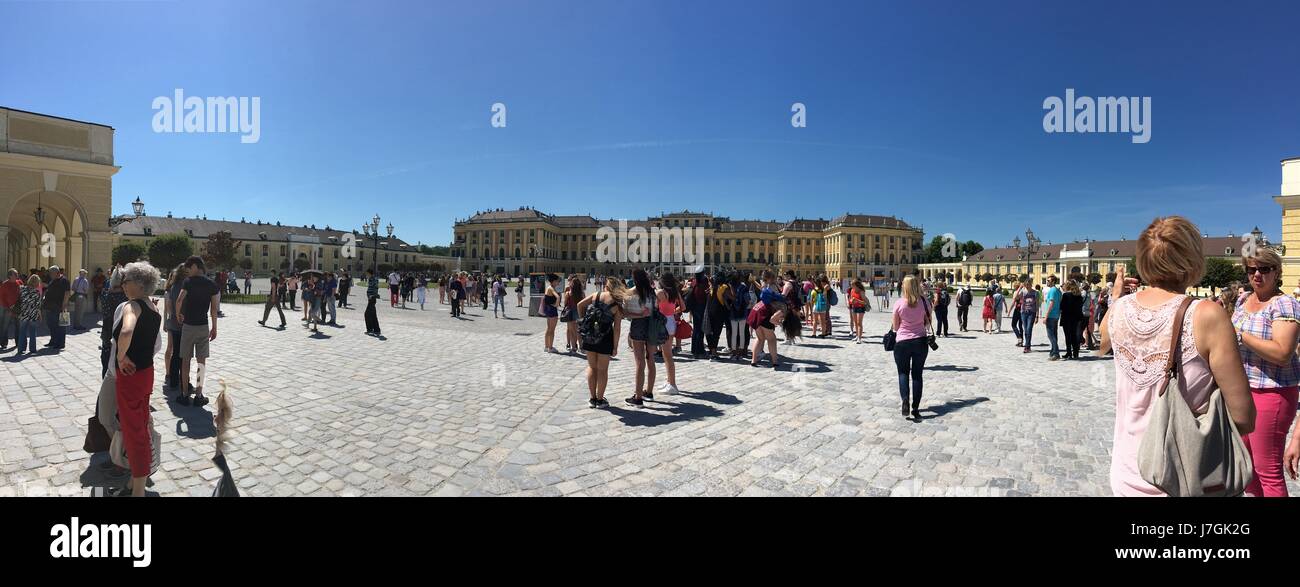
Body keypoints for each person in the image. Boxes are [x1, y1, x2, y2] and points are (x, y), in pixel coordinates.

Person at [1100, 216, 1255, 497]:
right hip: (1187, 478)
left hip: (1127, 474)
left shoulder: (1119, 309)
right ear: (1192, 258)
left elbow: (1101, 339)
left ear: (1143, 258)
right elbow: (1244, 417)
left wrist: (1117, 293)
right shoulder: (1206, 315)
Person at [1231, 245, 1300, 497]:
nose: (1257, 275)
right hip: (1243, 392)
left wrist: (1240, 336)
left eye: (1264, 269)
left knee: (1267, 470)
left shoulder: (1284, 304)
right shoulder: (1243, 300)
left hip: (1272, 392)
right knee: (1247, 468)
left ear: (1277, 271)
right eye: (1251, 269)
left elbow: (1282, 353)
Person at [111, 261, 163, 497]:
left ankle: (138, 491)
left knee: (134, 432)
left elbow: (126, 331)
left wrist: (121, 357)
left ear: (140, 284)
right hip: (146, 374)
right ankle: (134, 482)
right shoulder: (153, 308)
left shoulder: (132, 306)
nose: (123, 285)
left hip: (130, 377)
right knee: (140, 425)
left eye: (127, 280)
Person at [174, 256, 219, 407]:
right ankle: (199, 395)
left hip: (188, 326)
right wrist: (214, 327)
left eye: (189, 268)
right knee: (201, 362)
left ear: (196, 266)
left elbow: (179, 300)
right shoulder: (212, 284)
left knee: (185, 361)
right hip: (203, 327)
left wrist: (177, 314)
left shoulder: (188, 282)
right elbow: (214, 309)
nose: (187, 271)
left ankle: (185, 394)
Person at [577, 277, 625, 409]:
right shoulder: (616, 303)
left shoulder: (595, 295)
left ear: (606, 286)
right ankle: (600, 399)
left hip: (590, 334)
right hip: (605, 337)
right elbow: (617, 328)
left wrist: (583, 322)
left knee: (592, 367)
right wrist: (615, 346)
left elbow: (579, 305)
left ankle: (592, 398)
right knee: (603, 370)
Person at [892, 275, 932, 421]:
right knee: (917, 375)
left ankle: (905, 401)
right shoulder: (924, 302)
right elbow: (928, 323)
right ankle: (915, 407)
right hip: (920, 341)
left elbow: (895, 326)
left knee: (903, 373)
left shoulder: (899, 303)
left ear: (905, 286)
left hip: (902, 342)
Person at [624, 269, 659, 406]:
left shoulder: (630, 293)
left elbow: (625, 313)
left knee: (639, 362)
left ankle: (638, 397)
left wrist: (638, 315)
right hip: (651, 326)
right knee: (651, 359)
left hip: (638, 325)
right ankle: (649, 392)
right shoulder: (651, 293)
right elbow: (655, 309)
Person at [656, 272, 684, 394]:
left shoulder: (660, 293)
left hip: (663, 322)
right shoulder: (675, 292)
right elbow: (683, 307)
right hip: (671, 320)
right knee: (666, 354)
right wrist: (673, 311)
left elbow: (653, 306)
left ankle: (672, 384)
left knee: (667, 355)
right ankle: (669, 381)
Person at [99, 269, 128, 376]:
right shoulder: (126, 298)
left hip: (107, 332)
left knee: (106, 363)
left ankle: (105, 386)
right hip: (120, 334)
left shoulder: (105, 295)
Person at [163, 265, 186, 390]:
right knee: (179, 352)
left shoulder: (172, 288)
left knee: (174, 351)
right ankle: (180, 379)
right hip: (179, 323)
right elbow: (170, 308)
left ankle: (172, 378)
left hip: (172, 322)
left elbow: (169, 308)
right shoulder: (183, 286)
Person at [42, 265, 71, 350]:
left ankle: (60, 343)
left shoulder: (64, 280)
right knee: (51, 324)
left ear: (57, 273)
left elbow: (67, 293)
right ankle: (53, 341)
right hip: (50, 306)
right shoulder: (52, 280)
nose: (50, 275)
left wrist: (64, 305)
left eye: (51, 273)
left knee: (60, 326)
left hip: (59, 307)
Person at [15, 273, 42, 356]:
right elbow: (38, 306)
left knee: (22, 332)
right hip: (33, 314)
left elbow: (18, 300)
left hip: (23, 314)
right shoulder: (36, 292)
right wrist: (40, 315)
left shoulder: (22, 289)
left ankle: (21, 349)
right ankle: (32, 349)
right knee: (32, 332)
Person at [686, 272, 710, 358]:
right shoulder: (704, 282)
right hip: (701, 308)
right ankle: (699, 350)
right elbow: (704, 296)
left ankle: (694, 349)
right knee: (700, 330)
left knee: (696, 329)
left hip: (694, 307)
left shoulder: (695, 282)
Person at [1060, 280, 1083, 360]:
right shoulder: (1079, 295)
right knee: (1074, 335)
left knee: (1067, 336)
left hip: (1067, 317)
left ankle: (1069, 352)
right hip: (1076, 318)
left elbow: (1062, 307)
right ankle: (1076, 353)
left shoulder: (1066, 295)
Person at [1041, 276, 1062, 360]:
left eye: (1049, 280)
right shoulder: (1058, 291)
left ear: (1053, 282)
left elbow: (1051, 303)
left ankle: (1056, 353)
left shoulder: (1052, 290)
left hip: (1051, 315)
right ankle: (1053, 351)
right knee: (1054, 335)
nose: (1047, 282)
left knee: (1050, 335)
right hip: (1056, 315)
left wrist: (1046, 316)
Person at [0, 269, 21, 350]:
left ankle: (18, 342)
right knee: (4, 326)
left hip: (18, 309)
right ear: (10, 276)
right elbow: (1, 298)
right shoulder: (4, 285)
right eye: (15, 274)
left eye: (17, 274)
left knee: (18, 326)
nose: (17, 276)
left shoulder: (19, 282)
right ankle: (3, 343)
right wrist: (8, 307)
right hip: (7, 308)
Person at [1017, 277, 1039, 353]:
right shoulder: (1023, 291)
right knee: (1026, 330)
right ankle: (1027, 345)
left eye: (1028, 284)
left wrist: (1037, 316)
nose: (1027, 286)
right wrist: (1019, 288)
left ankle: (1027, 346)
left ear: (1031, 284)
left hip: (1031, 313)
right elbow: (1016, 297)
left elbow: (1037, 305)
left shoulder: (1035, 292)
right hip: (1023, 312)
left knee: (1029, 329)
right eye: (1026, 285)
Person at [562, 276, 584, 352]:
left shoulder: (568, 293)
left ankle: (574, 347)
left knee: (572, 331)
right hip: (579, 312)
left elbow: (565, 303)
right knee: (578, 330)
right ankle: (581, 347)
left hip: (570, 312)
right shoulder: (581, 293)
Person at [541, 274, 561, 353]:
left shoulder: (548, 288)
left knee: (548, 329)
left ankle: (546, 346)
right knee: (552, 330)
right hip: (552, 310)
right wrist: (556, 304)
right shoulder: (551, 288)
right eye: (557, 281)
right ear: (553, 281)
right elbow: (558, 297)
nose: (558, 283)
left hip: (548, 310)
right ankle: (550, 347)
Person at [848, 277, 869, 343]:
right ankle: (857, 336)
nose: (851, 286)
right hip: (854, 307)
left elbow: (865, 302)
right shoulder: (852, 290)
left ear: (856, 285)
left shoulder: (861, 291)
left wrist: (857, 300)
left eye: (852, 285)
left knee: (859, 323)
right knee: (855, 322)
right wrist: (851, 301)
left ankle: (859, 338)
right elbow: (850, 299)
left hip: (861, 307)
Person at [364, 269, 381, 335]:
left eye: (367, 274)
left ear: (369, 273)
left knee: (367, 314)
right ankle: (376, 329)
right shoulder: (371, 279)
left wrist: (373, 295)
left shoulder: (374, 279)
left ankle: (370, 329)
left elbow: (376, 288)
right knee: (373, 315)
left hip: (372, 298)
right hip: (370, 298)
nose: (366, 275)